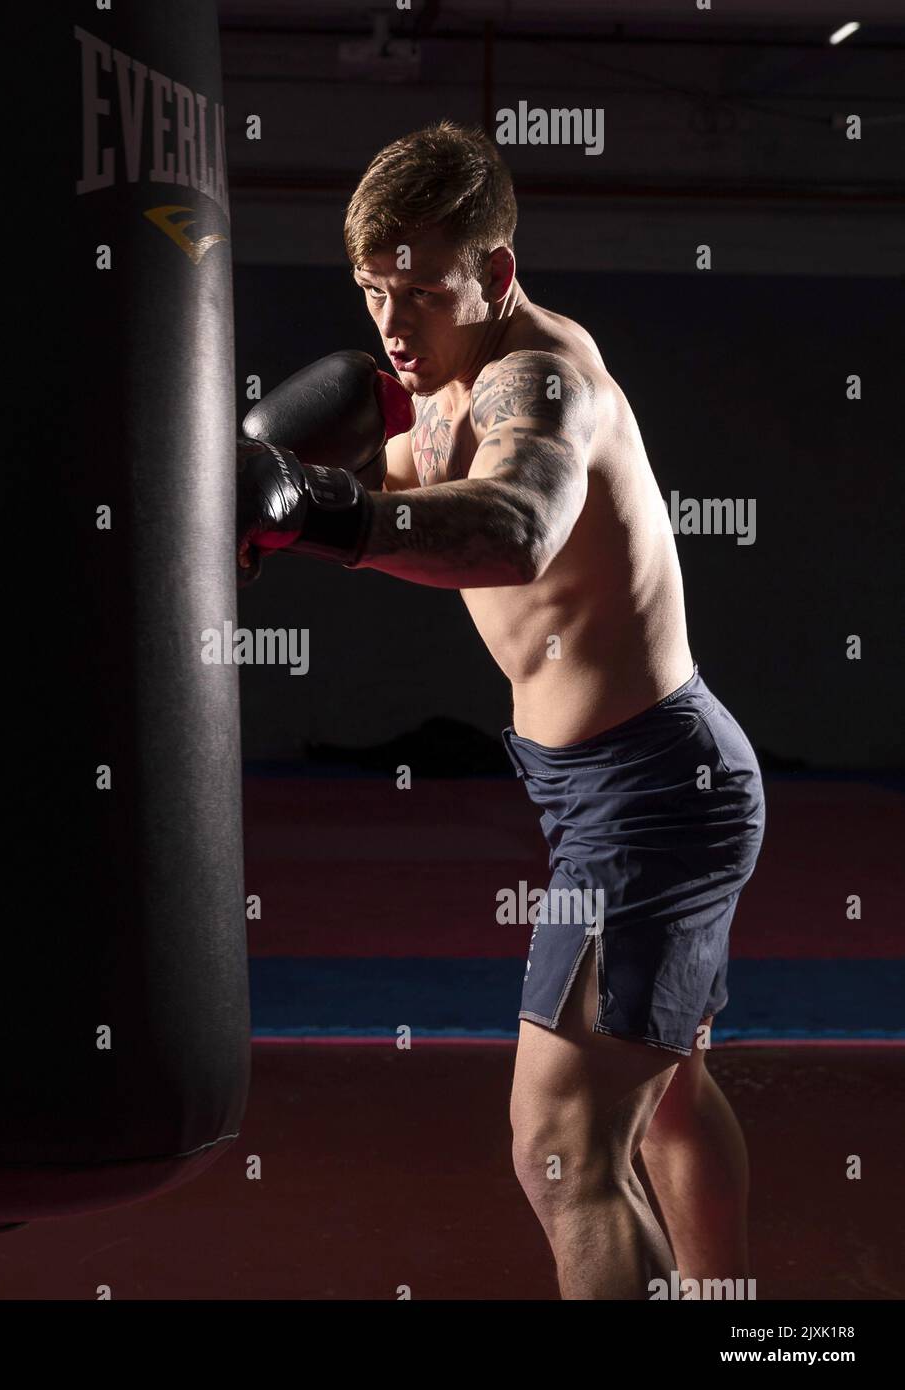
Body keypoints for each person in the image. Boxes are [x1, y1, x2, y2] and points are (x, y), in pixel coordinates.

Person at [236, 120, 766, 1300]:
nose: (392, 323)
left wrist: (312, 513)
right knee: (666, 1086)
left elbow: (514, 527)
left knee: (561, 1151)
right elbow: (362, 491)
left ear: (499, 272)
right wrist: (249, 499)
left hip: (650, 792)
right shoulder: (424, 391)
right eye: (374, 291)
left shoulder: (544, 379)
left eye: (421, 291)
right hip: (623, 780)